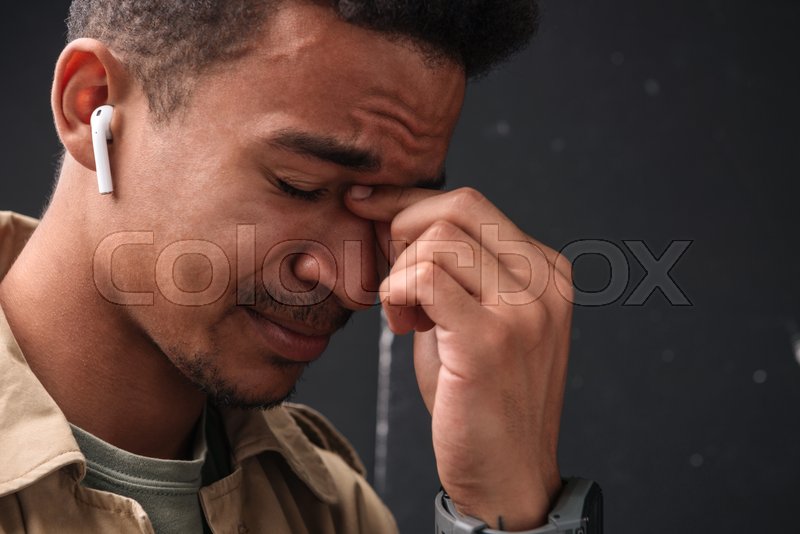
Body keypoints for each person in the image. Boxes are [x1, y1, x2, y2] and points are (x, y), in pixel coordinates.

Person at [0, 1, 599, 532]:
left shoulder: (331, 508)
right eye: (298, 185)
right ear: (93, 106)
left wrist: (508, 510)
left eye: (392, 210)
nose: (361, 284)